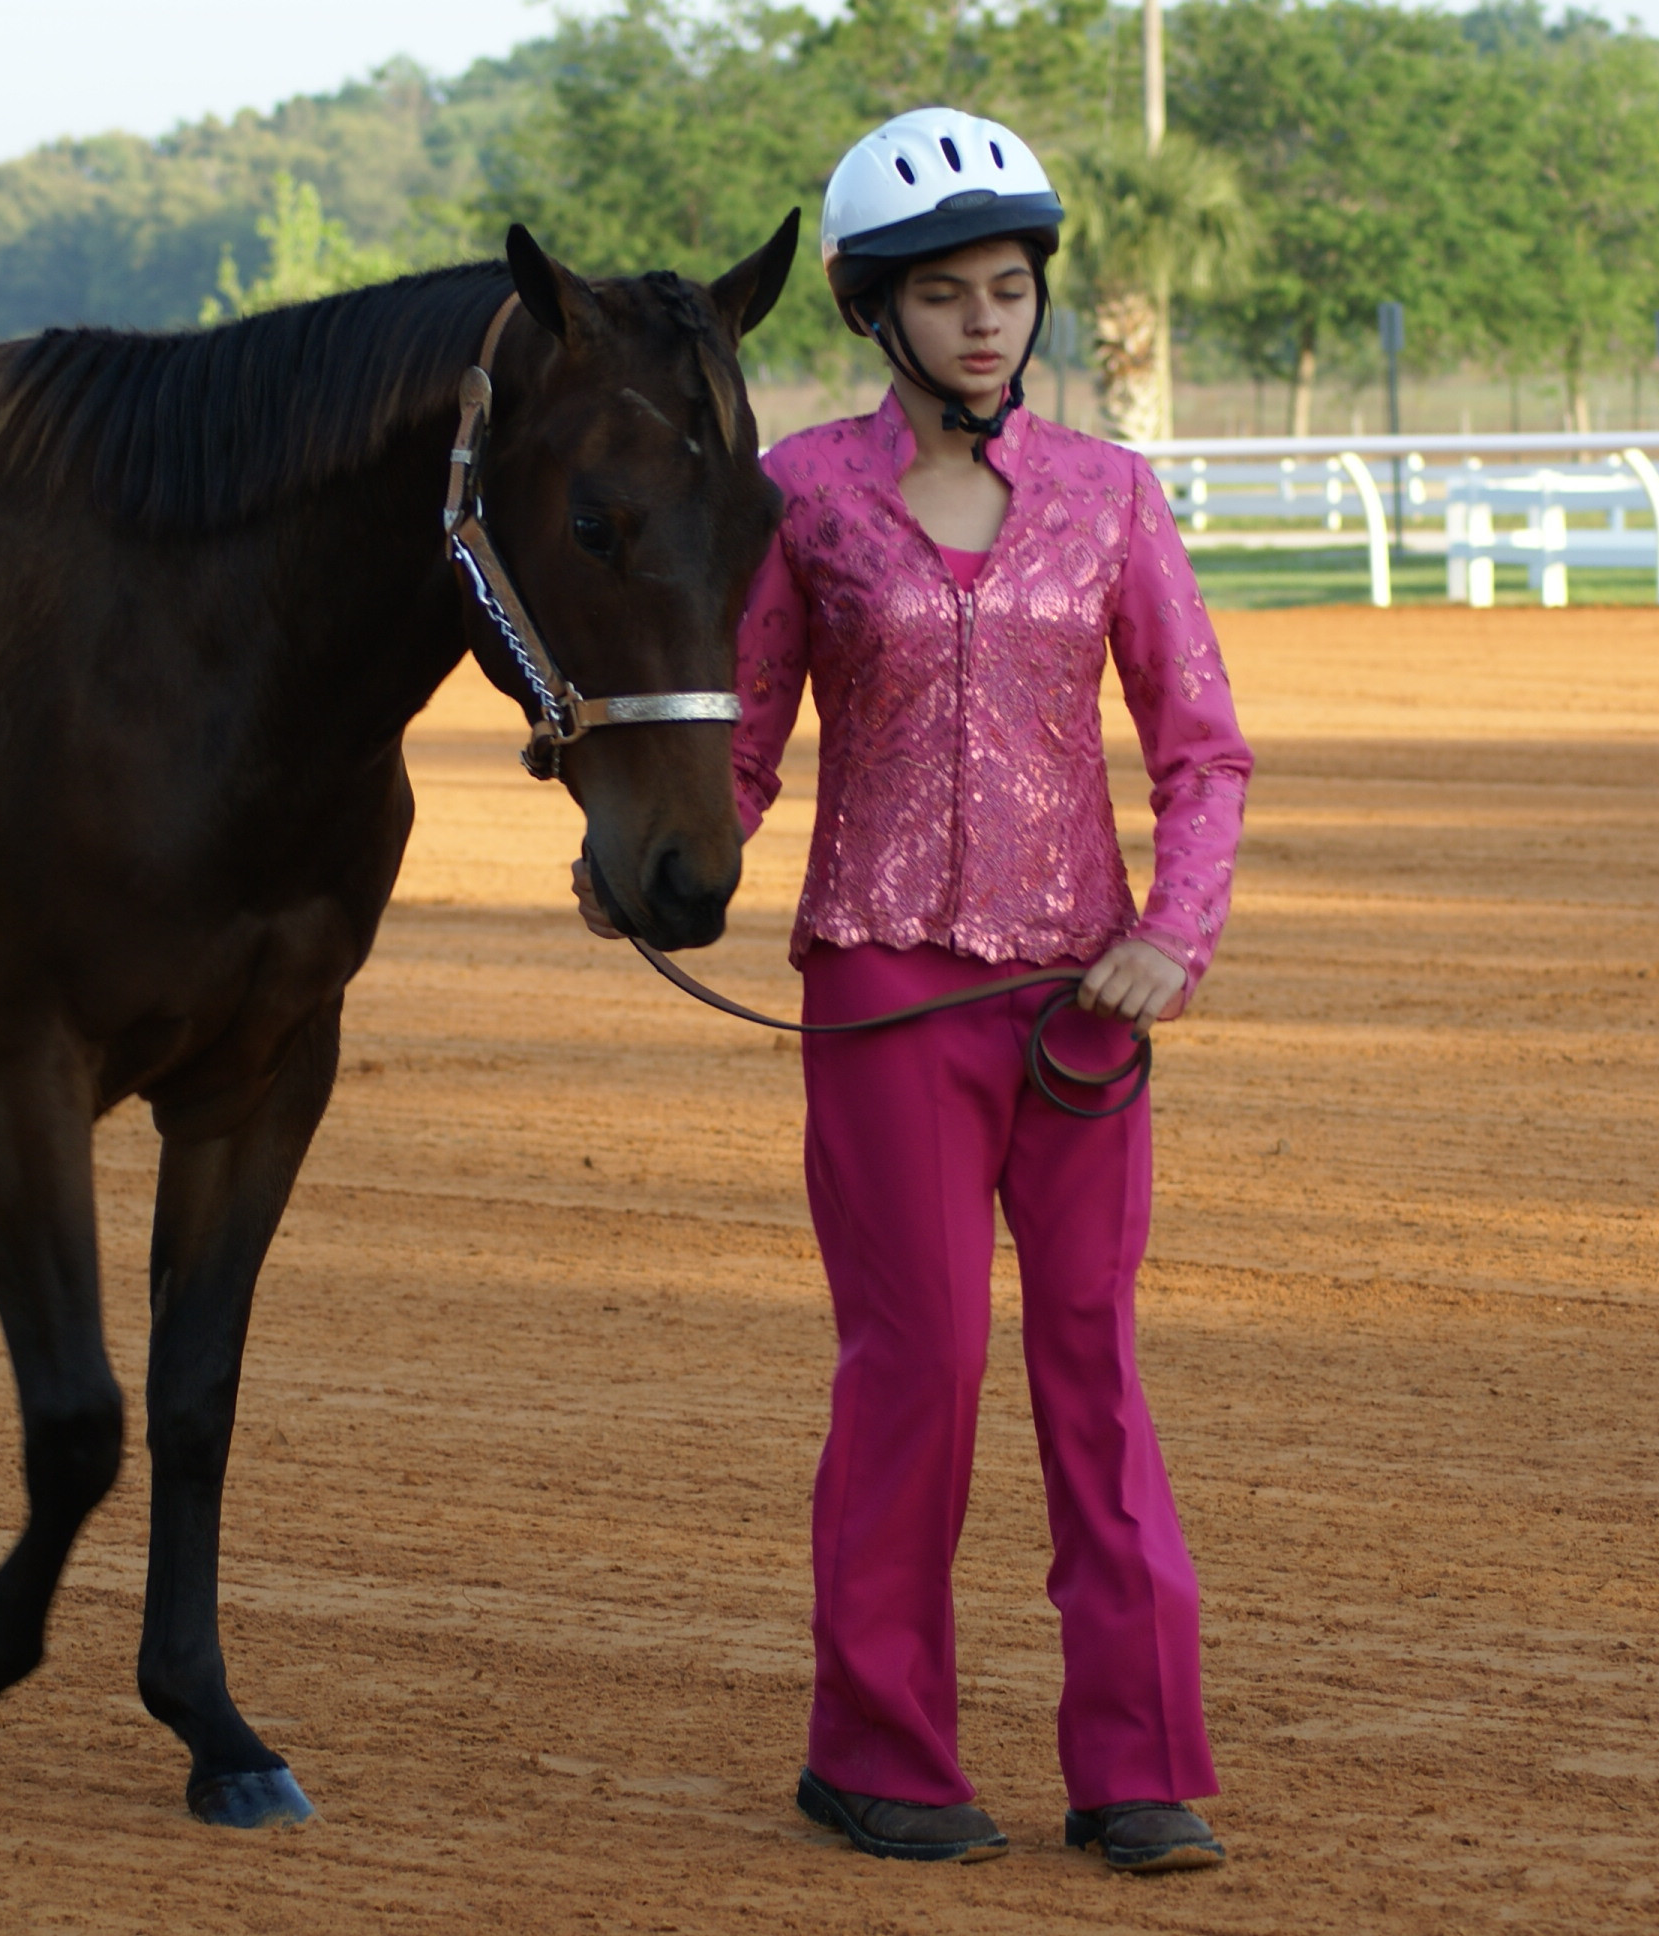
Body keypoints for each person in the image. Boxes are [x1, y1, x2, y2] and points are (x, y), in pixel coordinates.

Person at [572, 108, 1252, 1874]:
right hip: (880, 993)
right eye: (944, 294)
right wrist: (645, 864)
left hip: (1084, 1005)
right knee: (920, 1367)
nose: (984, 323)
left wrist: (1173, 937)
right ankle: (876, 1752)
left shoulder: (1112, 495)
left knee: (1094, 1372)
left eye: (1009, 290)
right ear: (878, 311)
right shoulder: (801, 495)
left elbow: (1204, 751)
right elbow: (742, 745)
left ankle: (1139, 1767)